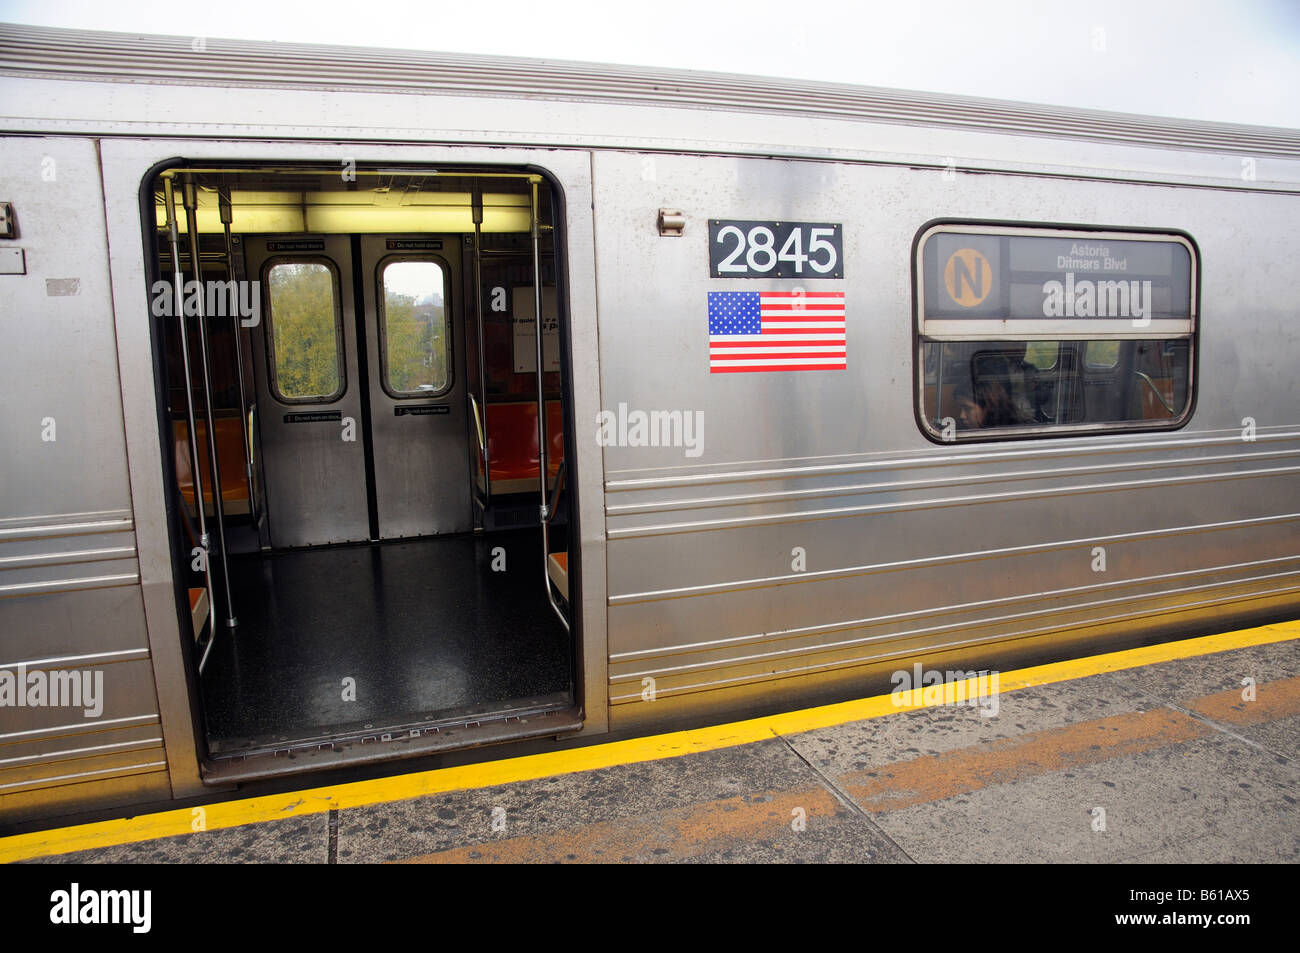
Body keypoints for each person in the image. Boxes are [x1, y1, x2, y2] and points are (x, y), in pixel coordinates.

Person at [954, 377, 1019, 429]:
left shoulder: (1014, 431)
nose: (962, 416)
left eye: (968, 409)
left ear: (989, 406)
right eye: (960, 408)